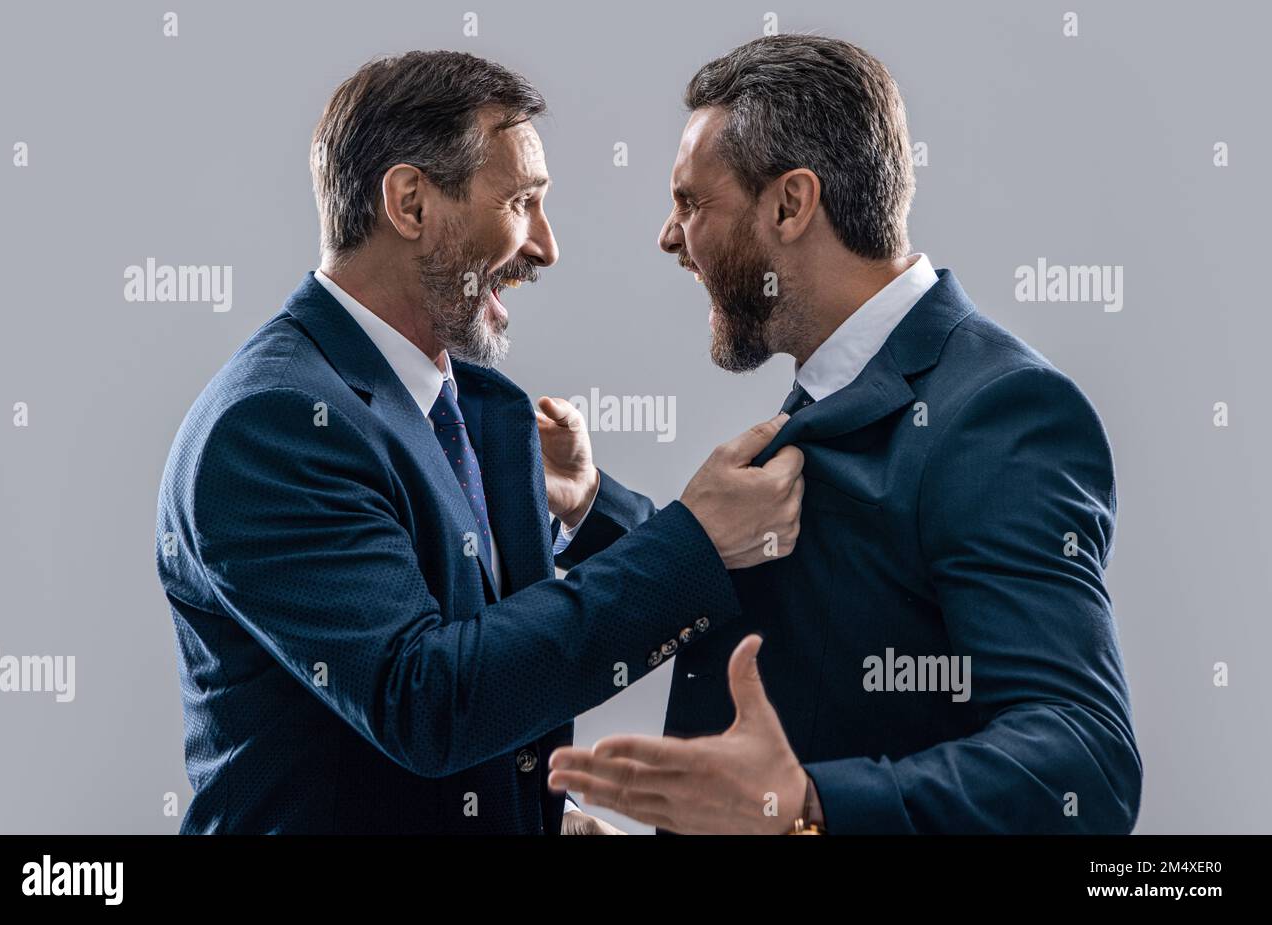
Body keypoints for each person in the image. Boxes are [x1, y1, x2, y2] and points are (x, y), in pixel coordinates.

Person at [154, 50, 803, 835]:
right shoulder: (270, 425)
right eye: (523, 201)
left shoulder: (482, 409)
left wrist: (594, 506)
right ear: (411, 203)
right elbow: (429, 701)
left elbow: (503, 681)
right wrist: (690, 539)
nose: (546, 246)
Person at [549, 34, 1142, 835]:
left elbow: (1083, 760)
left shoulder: (1000, 410)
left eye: (691, 202)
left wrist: (808, 808)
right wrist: (591, 504)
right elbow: (799, 595)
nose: (669, 236)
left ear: (791, 204)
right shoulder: (837, 383)